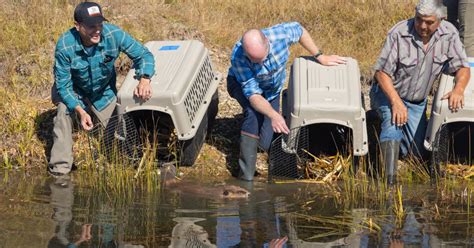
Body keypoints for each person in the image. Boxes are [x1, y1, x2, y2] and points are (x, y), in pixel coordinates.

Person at [227, 22, 347, 181]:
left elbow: (300, 30)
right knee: (253, 115)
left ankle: (257, 137)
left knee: (264, 143)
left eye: (262, 59)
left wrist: (320, 56)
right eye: (254, 61)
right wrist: (274, 115)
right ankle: (245, 176)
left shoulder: (280, 35)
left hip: (271, 91)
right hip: (243, 87)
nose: (260, 65)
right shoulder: (238, 56)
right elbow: (254, 96)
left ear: (268, 44)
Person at [48, 2, 155, 176]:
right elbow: (63, 86)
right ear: (78, 26)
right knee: (63, 113)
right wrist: (80, 112)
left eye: (100, 24)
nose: (97, 30)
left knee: (118, 139)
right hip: (74, 92)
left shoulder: (113, 34)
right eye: (91, 26)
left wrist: (145, 78)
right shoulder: (65, 45)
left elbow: (144, 54)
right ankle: (60, 170)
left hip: (103, 93)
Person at [370, 0, 471, 185]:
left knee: (417, 153)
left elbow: (463, 67)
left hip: (417, 101)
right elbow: (381, 72)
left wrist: (458, 89)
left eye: (429, 22)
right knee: (393, 124)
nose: (422, 26)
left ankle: (372, 130)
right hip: (388, 93)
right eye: (418, 20)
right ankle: (388, 184)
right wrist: (395, 102)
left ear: (441, 20)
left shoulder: (449, 33)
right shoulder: (399, 33)